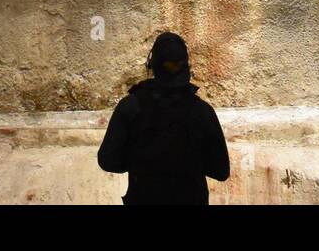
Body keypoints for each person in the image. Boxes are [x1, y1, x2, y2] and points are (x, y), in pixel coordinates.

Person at [97, 31, 230, 204]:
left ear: (152, 65)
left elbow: (108, 161)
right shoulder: (202, 111)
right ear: (186, 66)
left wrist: (142, 162)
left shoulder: (130, 107)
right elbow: (221, 171)